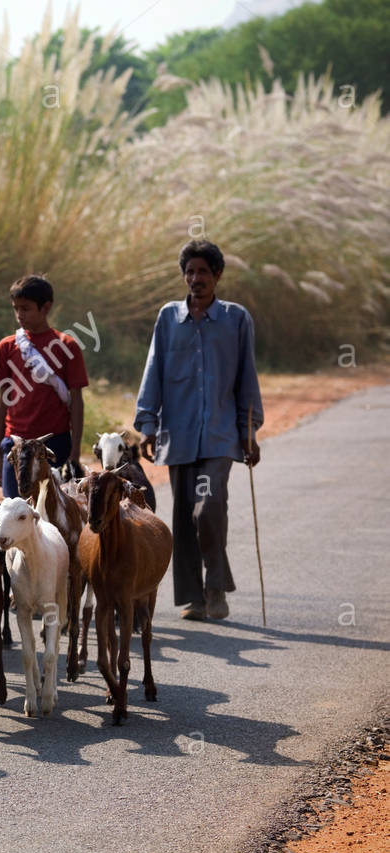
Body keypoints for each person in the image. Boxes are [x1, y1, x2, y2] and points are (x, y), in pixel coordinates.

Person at [134, 239, 263, 622]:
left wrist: (249, 431)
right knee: (183, 517)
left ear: (217, 275)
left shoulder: (236, 319)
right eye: (189, 272)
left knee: (208, 509)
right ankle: (195, 597)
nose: (195, 278)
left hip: (221, 436)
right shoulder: (168, 318)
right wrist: (147, 424)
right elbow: (153, 372)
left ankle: (216, 588)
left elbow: (247, 377)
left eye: (203, 271)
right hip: (179, 437)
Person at [0, 275, 88, 499]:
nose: (19, 315)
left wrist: (75, 453)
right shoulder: (6, 347)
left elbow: (76, 401)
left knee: (54, 512)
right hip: (14, 444)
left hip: (55, 445)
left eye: (25, 308)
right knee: (15, 509)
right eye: (16, 308)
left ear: (46, 308)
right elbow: (2, 402)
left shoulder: (67, 346)